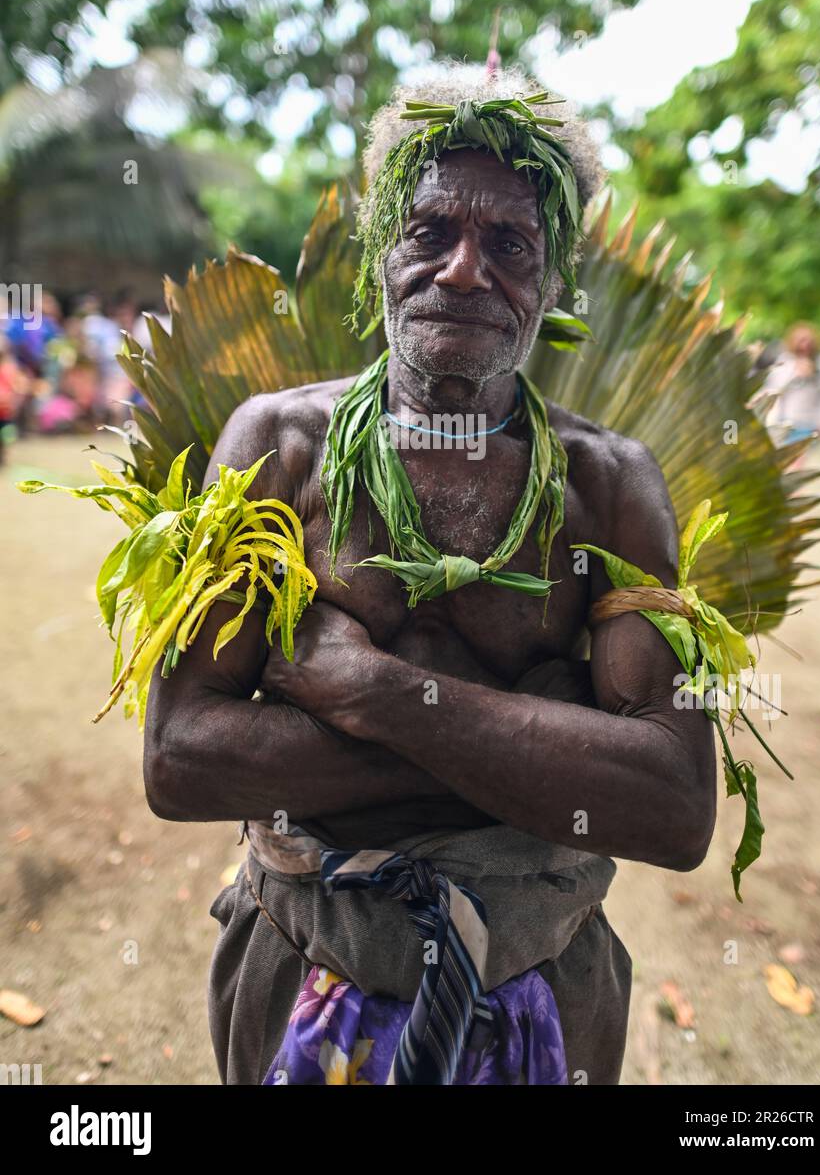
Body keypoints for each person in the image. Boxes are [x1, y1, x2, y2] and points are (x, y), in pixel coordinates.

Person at [143, 64, 717, 1086]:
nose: (464, 270)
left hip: (537, 976)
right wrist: (535, 736)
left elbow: (674, 805)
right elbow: (182, 758)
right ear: (378, 257)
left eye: (509, 245)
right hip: (309, 965)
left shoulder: (611, 486)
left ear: (550, 283)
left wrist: (377, 693)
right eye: (430, 233)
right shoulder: (279, 448)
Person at [763, 321, 820, 446]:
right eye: (801, 340)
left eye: (808, 341)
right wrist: (795, 374)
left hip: (811, 424)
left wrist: (815, 375)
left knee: (797, 461)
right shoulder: (785, 361)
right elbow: (773, 389)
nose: (805, 345)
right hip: (785, 422)